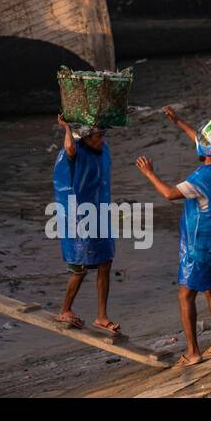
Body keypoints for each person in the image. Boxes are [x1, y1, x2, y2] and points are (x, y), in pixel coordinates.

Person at [135, 107, 211, 365]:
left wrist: (149, 173)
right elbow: (202, 144)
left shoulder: (200, 179)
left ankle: (193, 352)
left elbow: (168, 194)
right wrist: (178, 121)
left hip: (201, 245)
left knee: (185, 294)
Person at [53, 115, 119, 335]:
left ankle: (102, 316)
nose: (102, 140)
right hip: (79, 217)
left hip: (99, 212)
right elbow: (70, 148)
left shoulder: (101, 150)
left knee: (105, 262)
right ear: (86, 138)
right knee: (79, 268)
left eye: (103, 136)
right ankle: (65, 309)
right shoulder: (76, 151)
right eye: (98, 136)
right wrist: (67, 128)